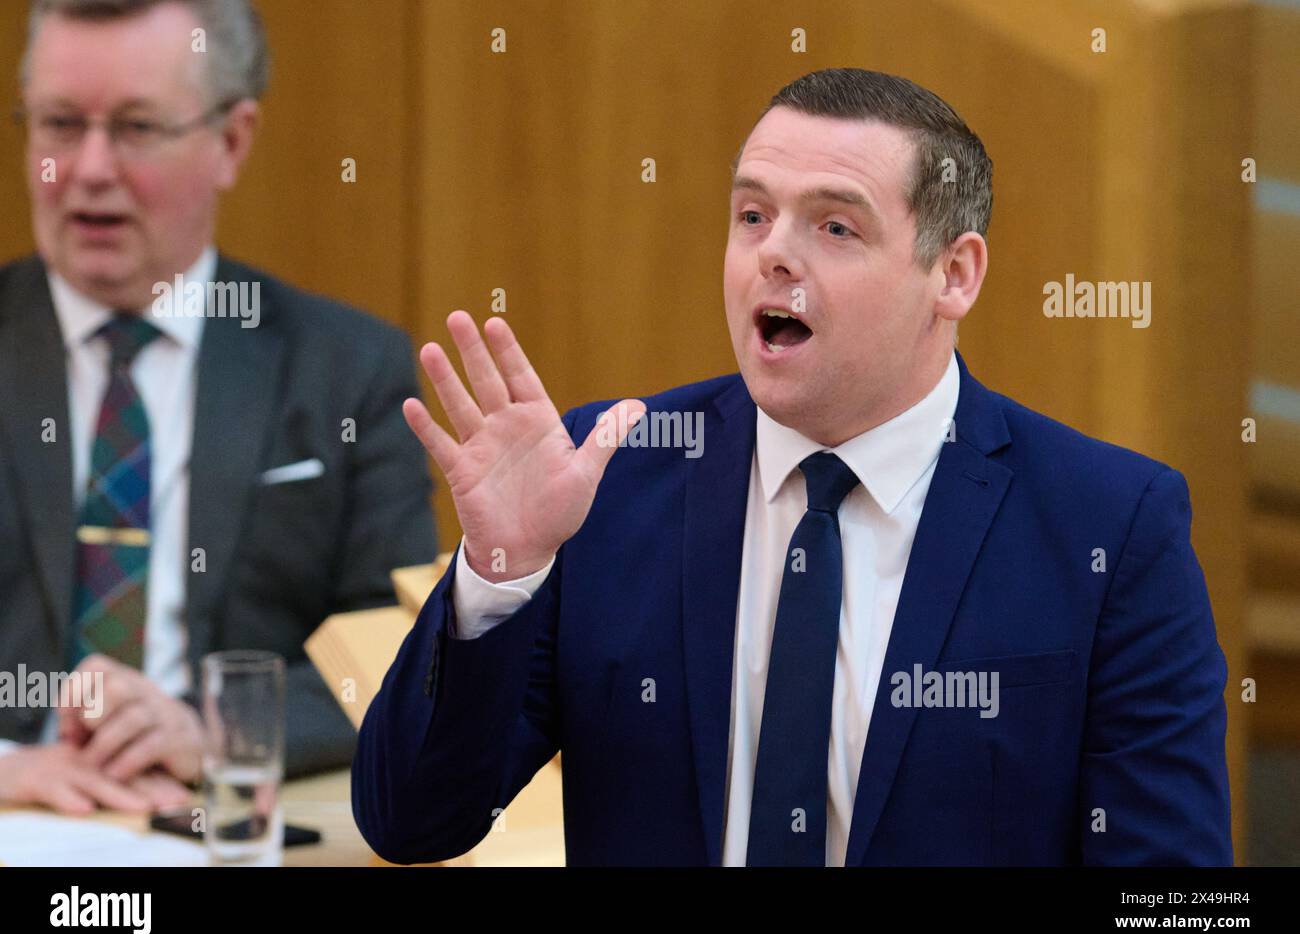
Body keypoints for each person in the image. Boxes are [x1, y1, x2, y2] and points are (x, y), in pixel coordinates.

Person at [352, 68, 1232, 865]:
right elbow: (411, 821)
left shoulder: (1110, 526)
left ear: (953, 275)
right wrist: (500, 574)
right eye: (752, 216)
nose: (773, 253)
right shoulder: (610, 476)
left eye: (835, 225)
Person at [0, 0, 437, 814]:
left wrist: (214, 728)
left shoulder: (347, 369)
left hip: (231, 824)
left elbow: (396, 649)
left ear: (232, 141)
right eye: (61, 124)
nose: (91, 168)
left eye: (135, 129)